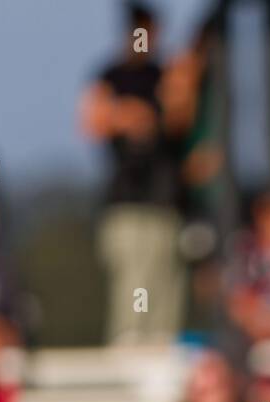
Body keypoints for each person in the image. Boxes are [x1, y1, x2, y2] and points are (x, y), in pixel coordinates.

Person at [81, 2, 186, 345]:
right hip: (124, 197)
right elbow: (91, 123)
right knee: (131, 276)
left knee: (165, 275)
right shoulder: (109, 75)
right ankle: (129, 342)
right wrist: (129, 115)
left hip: (164, 196)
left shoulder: (167, 74)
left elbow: (179, 117)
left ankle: (160, 343)